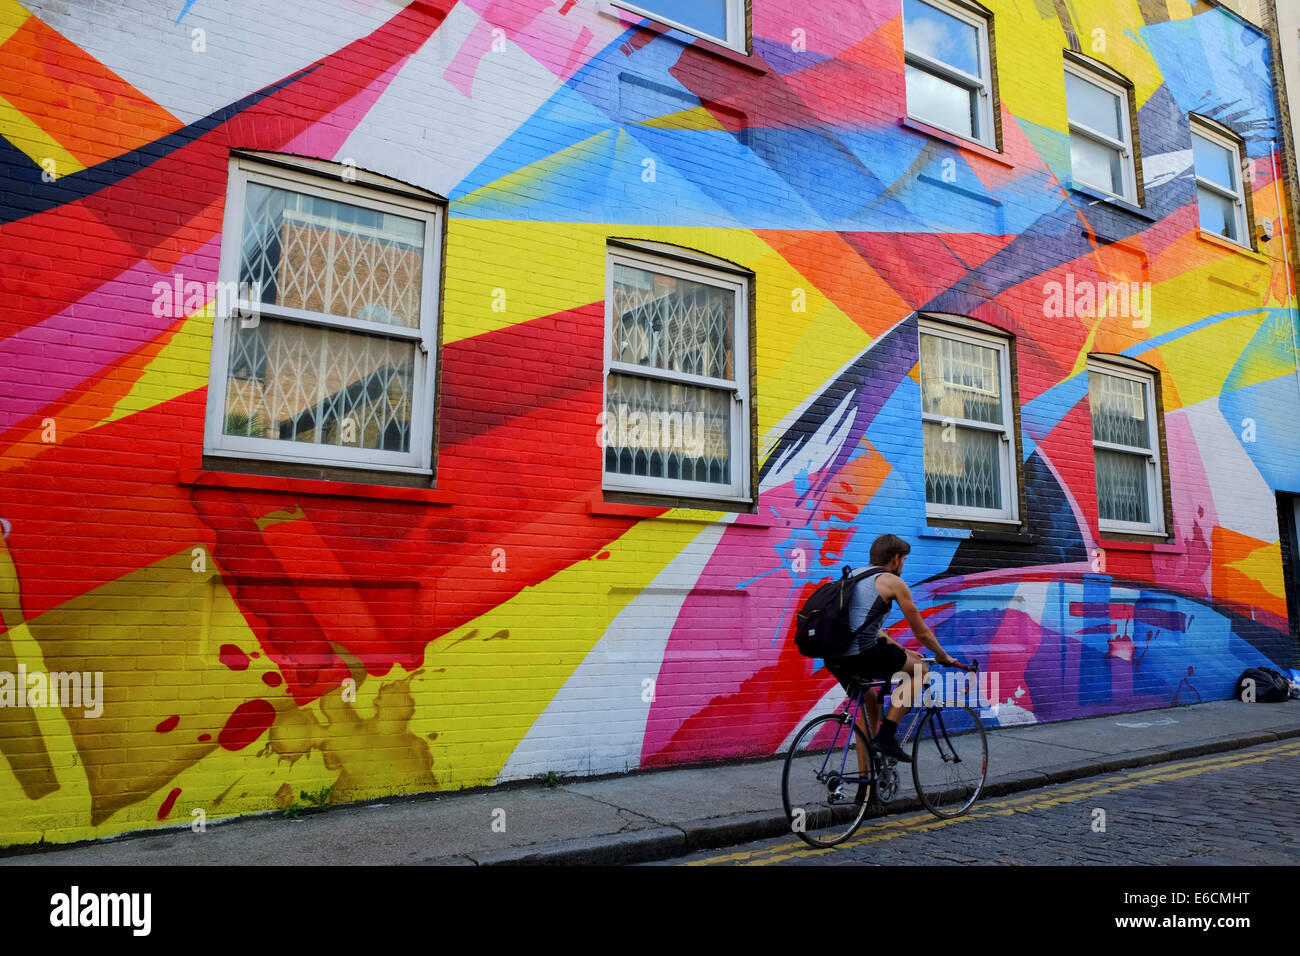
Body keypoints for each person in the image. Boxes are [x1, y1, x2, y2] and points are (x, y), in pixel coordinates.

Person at [824, 533, 959, 763]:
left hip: (834, 657)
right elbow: (922, 632)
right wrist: (943, 656)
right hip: (862, 654)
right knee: (920, 671)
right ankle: (887, 736)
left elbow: (867, 627)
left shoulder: (853, 577)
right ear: (896, 559)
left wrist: (902, 651)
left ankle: (865, 793)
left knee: (869, 707)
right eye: (904, 559)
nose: (903, 564)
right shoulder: (893, 581)